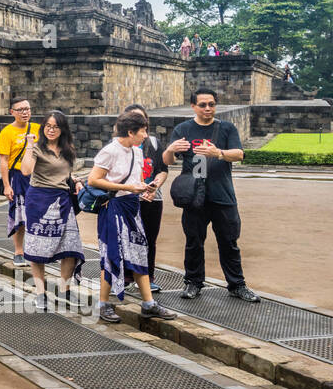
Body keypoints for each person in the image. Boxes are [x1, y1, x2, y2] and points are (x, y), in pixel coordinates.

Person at [162, 88, 259, 302]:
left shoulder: (226, 128)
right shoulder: (183, 129)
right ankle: (193, 282)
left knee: (229, 241)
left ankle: (237, 284)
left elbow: (240, 154)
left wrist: (219, 153)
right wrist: (170, 150)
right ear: (194, 106)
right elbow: (168, 161)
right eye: (203, 104)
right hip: (194, 197)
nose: (208, 108)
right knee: (194, 241)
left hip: (222, 194)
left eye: (212, 104)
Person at [86, 112, 177, 324]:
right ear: (130, 132)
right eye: (143, 130)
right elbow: (93, 180)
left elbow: (136, 180)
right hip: (114, 207)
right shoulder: (109, 151)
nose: (146, 135)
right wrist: (127, 187)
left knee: (138, 252)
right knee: (112, 254)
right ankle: (103, 303)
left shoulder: (136, 152)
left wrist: (147, 187)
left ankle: (148, 303)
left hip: (132, 206)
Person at [18, 110, 85, 309]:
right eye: (48, 126)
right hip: (39, 200)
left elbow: (65, 173)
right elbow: (26, 170)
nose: (51, 130)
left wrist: (74, 181)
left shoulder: (67, 149)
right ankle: (40, 293)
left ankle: (64, 290)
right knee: (37, 247)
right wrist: (30, 144)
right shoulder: (37, 148)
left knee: (71, 247)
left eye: (55, 126)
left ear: (62, 128)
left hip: (63, 200)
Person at [123, 104, 166, 294]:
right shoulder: (120, 145)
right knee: (125, 239)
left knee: (149, 239)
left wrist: (155, 186)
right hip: (127, 199)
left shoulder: (154, 143)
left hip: (152, 199)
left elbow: (162, 170)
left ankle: (149, 277)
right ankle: (125, 276)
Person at [0, 96, 39, 267]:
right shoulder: (7, 132)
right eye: (21, 109)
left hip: (37, 177)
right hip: (18, 178)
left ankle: (38, 249)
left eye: (27, 109)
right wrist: (7, 185)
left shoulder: (38, 128)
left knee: (39, 214)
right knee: (19, 215)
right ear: (12, 112)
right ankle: (19, 251)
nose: (25, 112)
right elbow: (4, 161)